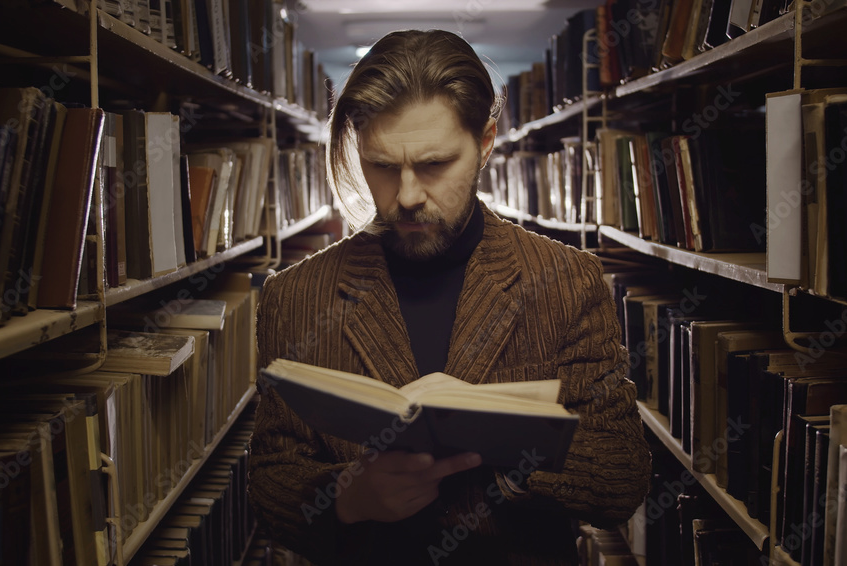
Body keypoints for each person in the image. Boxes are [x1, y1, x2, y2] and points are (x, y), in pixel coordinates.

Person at [249, 29, 651, 565]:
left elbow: (621, 476)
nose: (407, 196)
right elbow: (269, 478)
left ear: (485, 143)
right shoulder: (293, 296)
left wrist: (498, 436)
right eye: (382, 166)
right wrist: (344, 498)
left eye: (434, 164)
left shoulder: (567, 280)